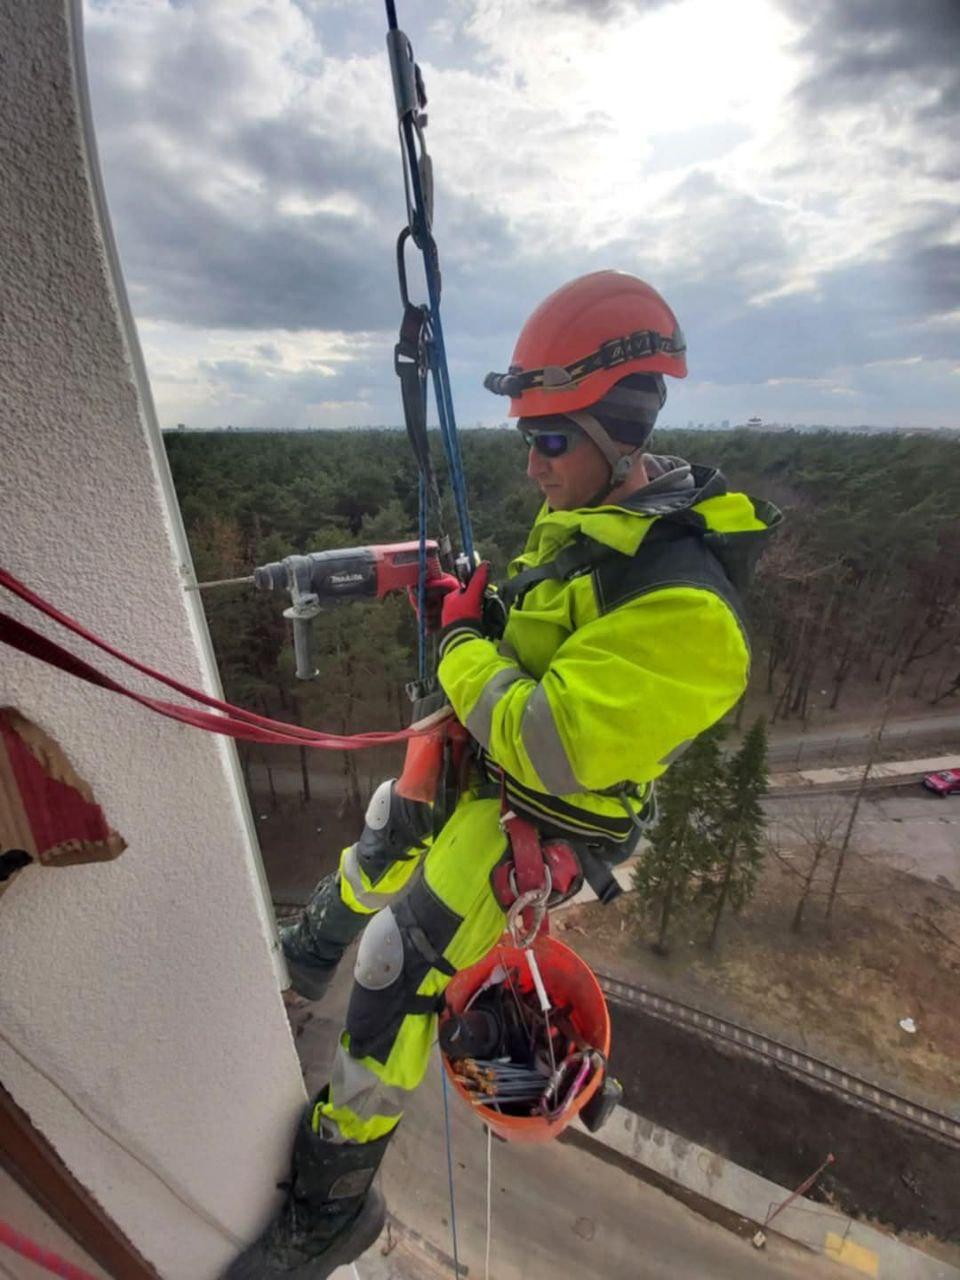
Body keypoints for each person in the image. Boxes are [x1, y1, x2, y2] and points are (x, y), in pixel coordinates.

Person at [227, 271, 780, 1277]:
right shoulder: (593, 530)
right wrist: (478, 615)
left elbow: (548, 732)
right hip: (497, 777)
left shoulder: (688, 607)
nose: (530, 464)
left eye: (551, 439)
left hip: (548, 820)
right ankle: (306, 954)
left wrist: (458, 648)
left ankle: (331, 1199)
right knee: (389, 822)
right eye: (528, 437)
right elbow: (533, 634)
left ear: (619, 431)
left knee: (396, 970)